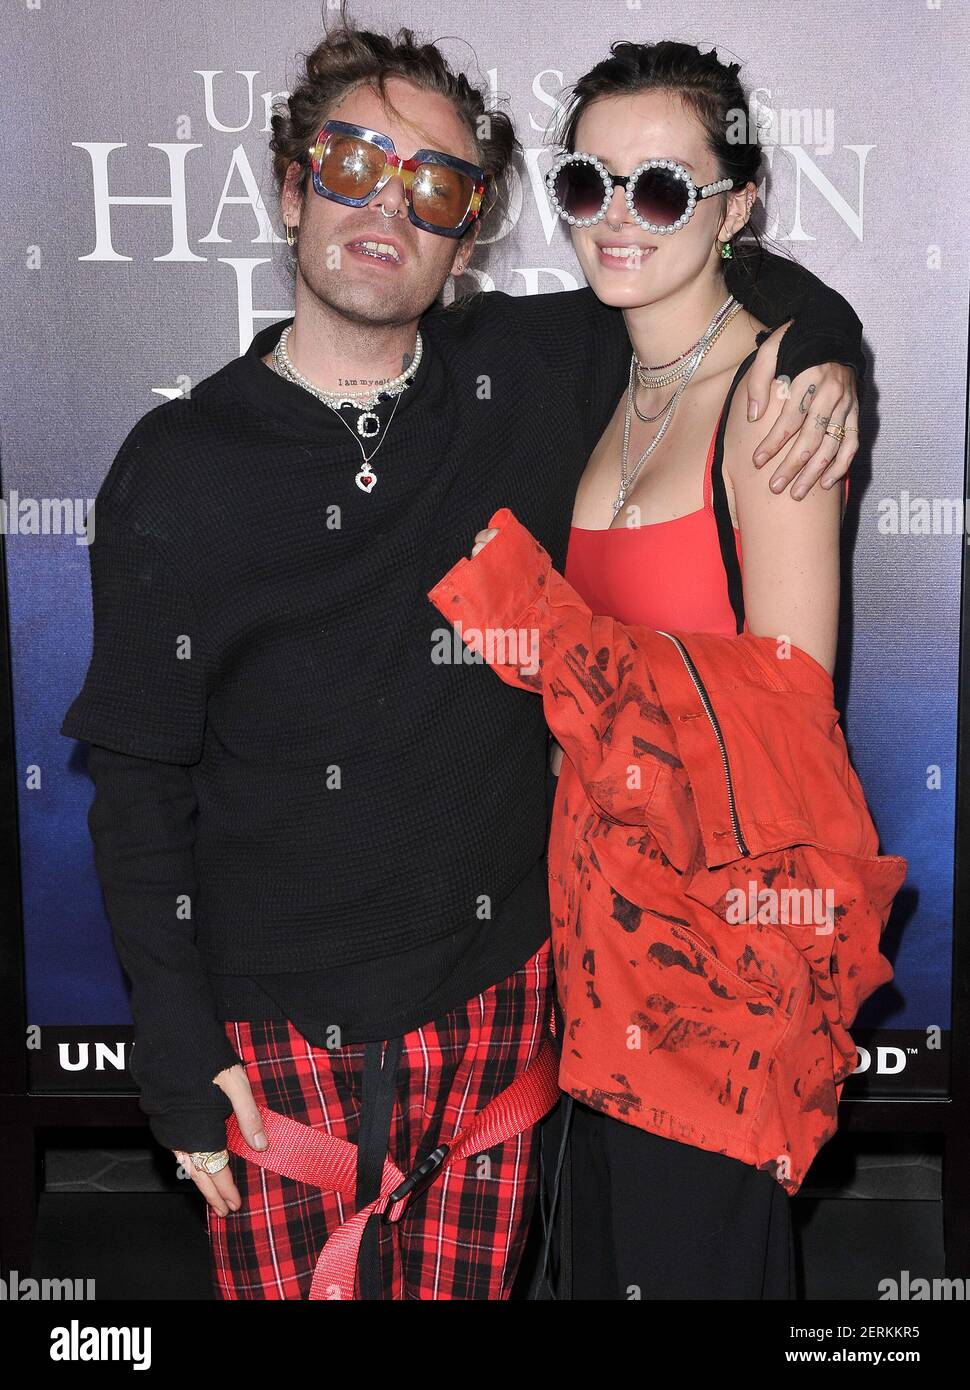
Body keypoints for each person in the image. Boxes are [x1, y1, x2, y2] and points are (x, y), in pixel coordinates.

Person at [61, 19, 867, 1300]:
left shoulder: (528, 370)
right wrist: (172, 1045)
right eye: (351, 163)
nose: (389, 203)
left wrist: (826, 349)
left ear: (467, 230)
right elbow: (138, 780)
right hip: (277, 1044)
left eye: (433, 183)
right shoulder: (178, 467)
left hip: (508, 1016)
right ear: (288, 183)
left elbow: (716, 283)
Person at [427, 40, 905, 1300]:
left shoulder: (777, 397)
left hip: (716, 970)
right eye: (590, 185)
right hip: (586, 955)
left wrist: (539, 631)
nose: (615, 222)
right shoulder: (592, 372)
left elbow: (786, 727)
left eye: (662, 188)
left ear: (735, 204)